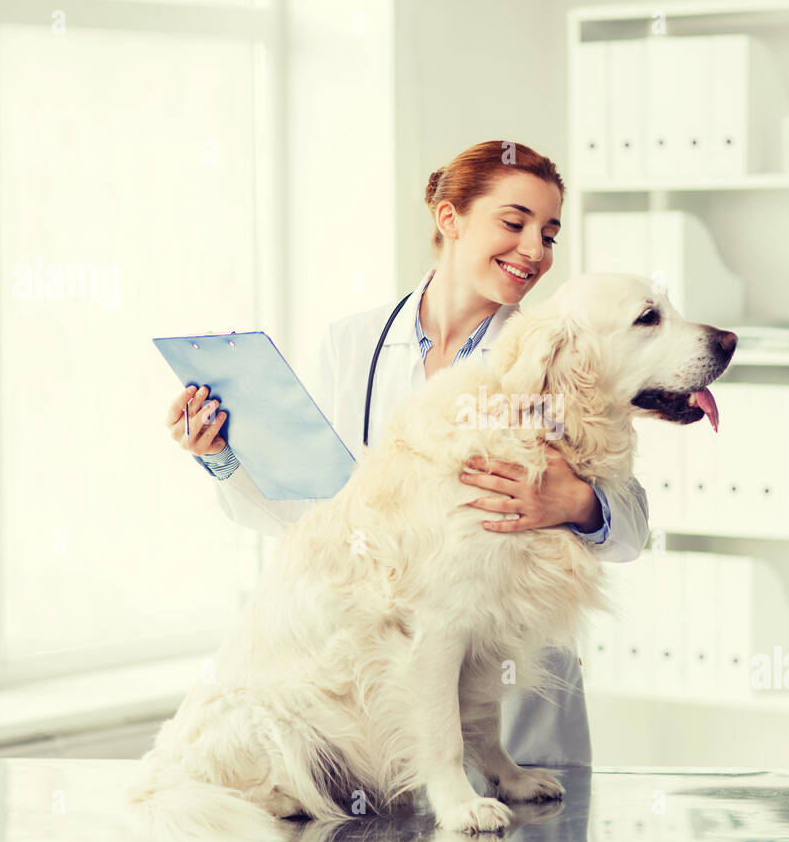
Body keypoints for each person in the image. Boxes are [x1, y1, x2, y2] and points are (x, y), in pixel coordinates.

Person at [164, 139, 649, 768]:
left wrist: (579, 503)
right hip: (384, 694)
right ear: (449, 220)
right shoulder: (353, 345)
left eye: (550, 233)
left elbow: (634, 529)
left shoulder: (561, 353)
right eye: (514, 222)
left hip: (515, 690)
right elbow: (317, 522)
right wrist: (225, 457)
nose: (535, 250)